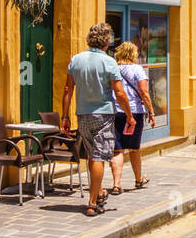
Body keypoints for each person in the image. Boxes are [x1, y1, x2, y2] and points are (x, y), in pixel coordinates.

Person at [62, 23, 136, 217]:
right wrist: (129, 115)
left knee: (94, 155)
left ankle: (99, 192)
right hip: (103, 114)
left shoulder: (76, 59)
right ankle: (92, 202)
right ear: (107, 41)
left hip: (82, 114)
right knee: (99, 156)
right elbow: (119, 93)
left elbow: (68, 89)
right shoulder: (109, 62)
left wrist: (64, 116)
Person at [112, 40, 156, 192]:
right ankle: (138, 180)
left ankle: (116, 184)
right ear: (134, 54)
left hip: (116, 111)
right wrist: (151, 111)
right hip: (135, 112)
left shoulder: (114, 69)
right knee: (134, 148)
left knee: (118, 150)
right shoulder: (138, 69)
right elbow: (144, 92)